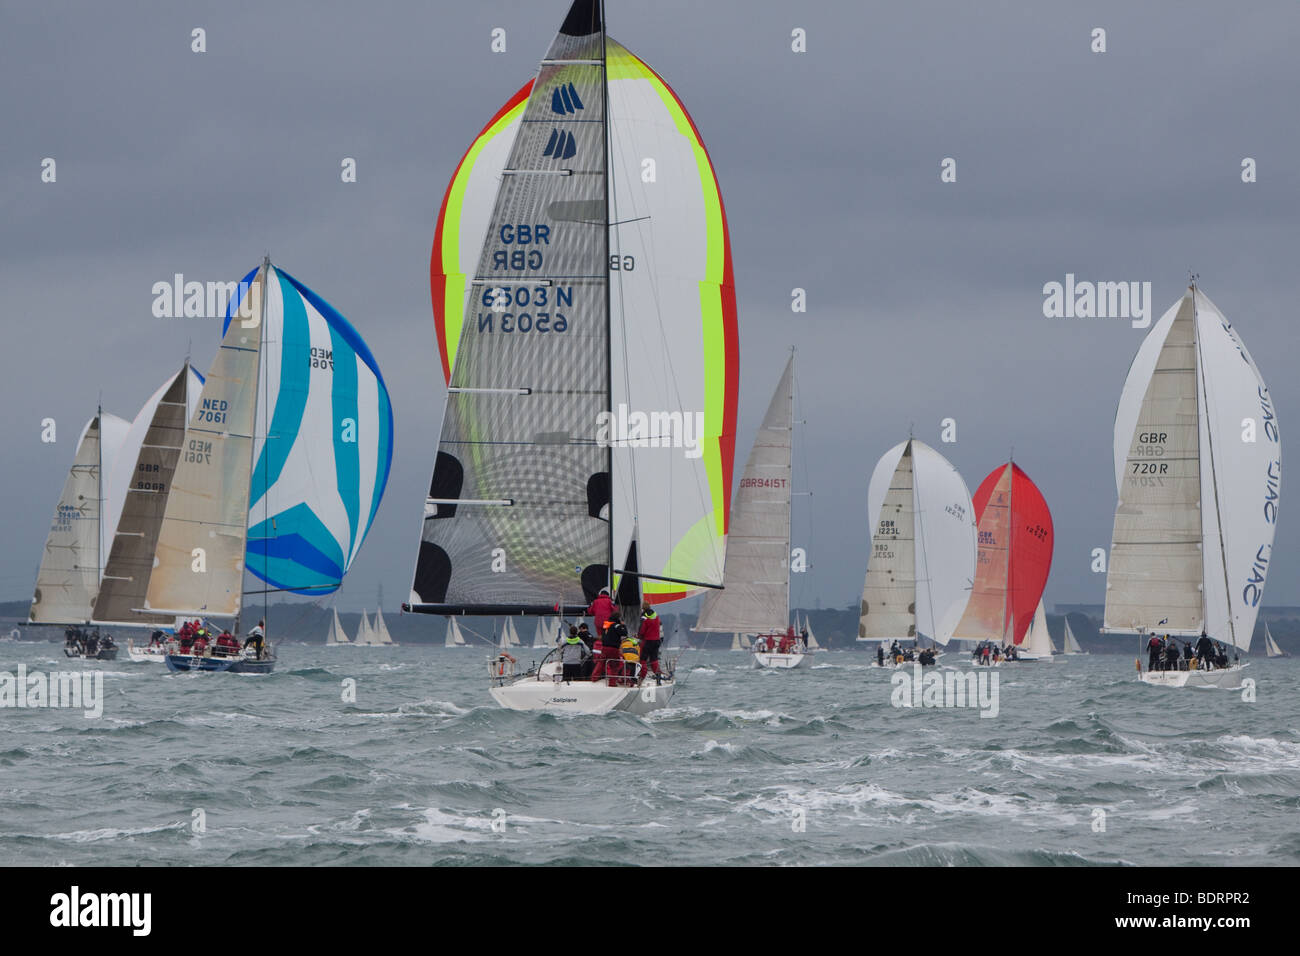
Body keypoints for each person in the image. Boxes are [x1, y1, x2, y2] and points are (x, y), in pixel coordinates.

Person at [590, 612, 627, 684]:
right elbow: (624, 633)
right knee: (614, 665)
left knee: (601, 663)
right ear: (618, 618)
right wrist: (623, 625)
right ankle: (612, 682)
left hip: (604, 647)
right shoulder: (617, 626)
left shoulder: (606, 625)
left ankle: (594, 678)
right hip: (613, 648)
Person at [637, 603, 663, 682]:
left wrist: (638, 636)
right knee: (654, 659)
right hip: (656, 641)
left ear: (643, 609)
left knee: (643, 659)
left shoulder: (644, 618)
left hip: (647, 641)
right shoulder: (656, 616)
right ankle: (658, 675)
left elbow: (642, 631)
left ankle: (642, 677)